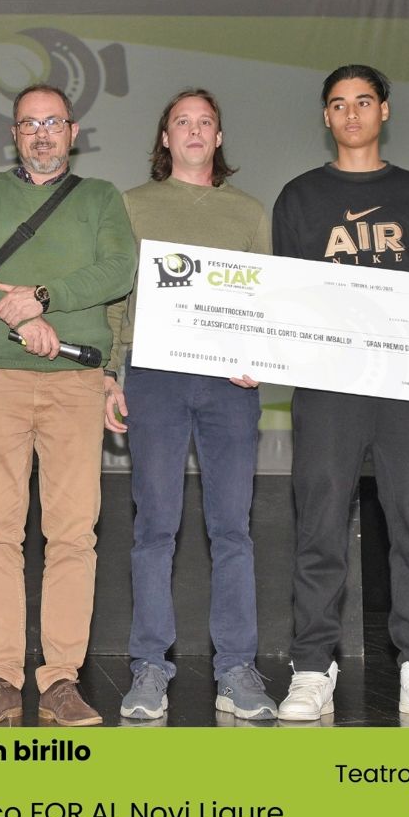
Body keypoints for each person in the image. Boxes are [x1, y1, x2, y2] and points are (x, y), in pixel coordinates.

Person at [271, 64, 409, 723]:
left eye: (364, 101)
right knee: (320, 529)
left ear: (384, 111)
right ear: (325, 117)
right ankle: (311, 669)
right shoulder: (299, 198)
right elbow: (284, 297)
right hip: (331, 386)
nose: (352, 113)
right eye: (339, 104)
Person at [0, 84, 137, 726]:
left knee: (72, 534)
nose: (42, 133)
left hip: (75, 384)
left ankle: (60, 681)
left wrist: (42, 298)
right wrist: (22, 321)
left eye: (53, 121)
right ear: (15, 134)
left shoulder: (101, 197)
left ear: (73, 131)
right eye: (30, 123)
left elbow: (118, 272)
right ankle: (0, 678)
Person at [104, 89, 274, 720]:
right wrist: (107, 373)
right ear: (166, 139)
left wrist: (263, 357)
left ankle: (236, 668)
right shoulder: (131, 205)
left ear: (219, 137)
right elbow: (117, 299)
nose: (195, 130)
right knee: (156, 527)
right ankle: (150, 666)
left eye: (206, 121)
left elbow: (267, 302)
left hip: (231, 385)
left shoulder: (251, 213)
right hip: (155, 378)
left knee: (232, 528)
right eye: (183, 122)